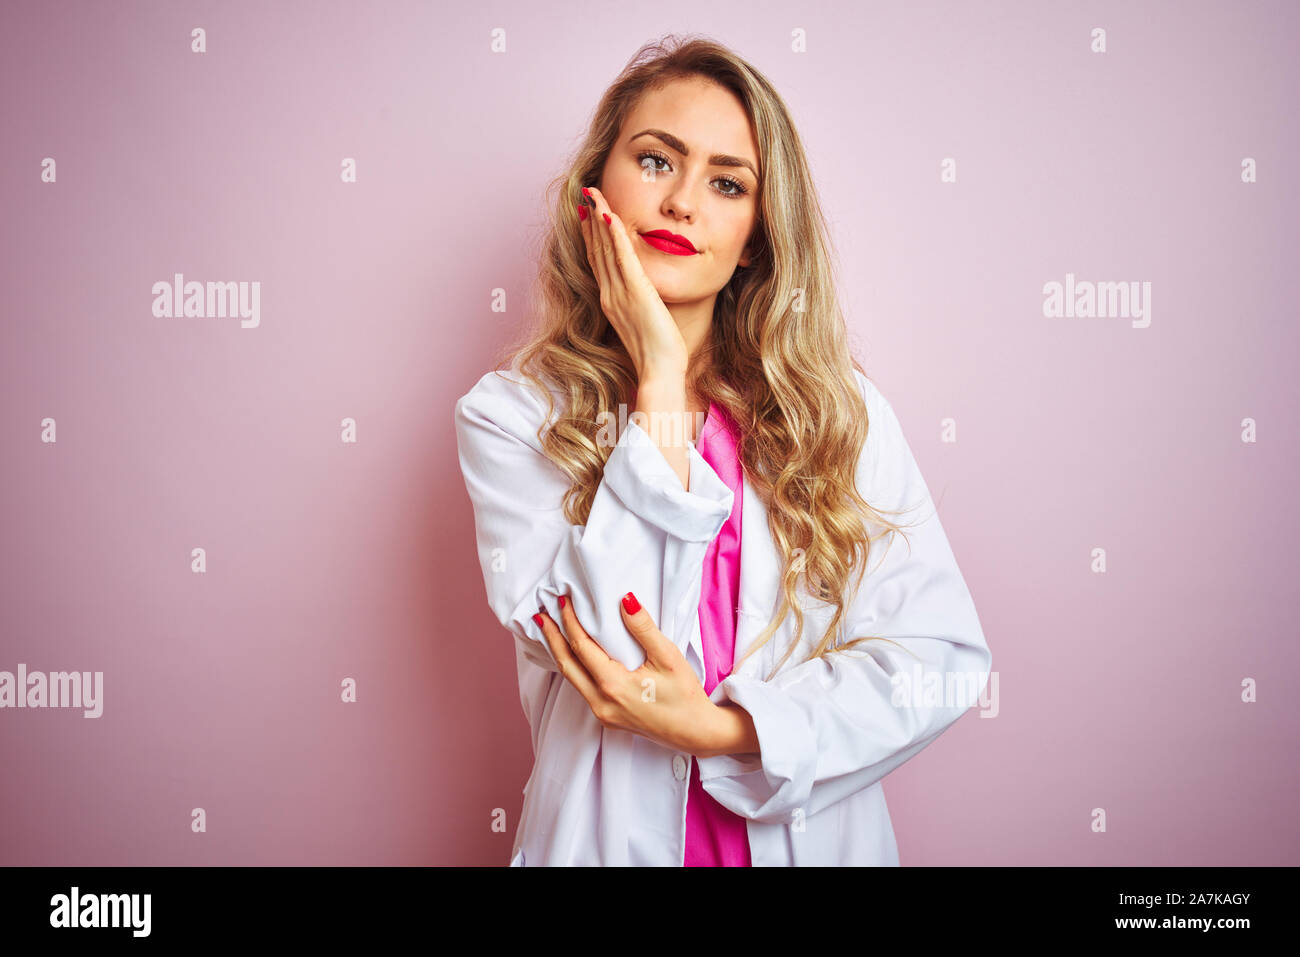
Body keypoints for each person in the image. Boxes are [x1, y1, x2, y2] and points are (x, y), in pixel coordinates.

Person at [453, 35, 991, 866]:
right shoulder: (511, 419)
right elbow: (605, 657)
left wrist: (730, 729)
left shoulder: (839, 412)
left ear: (754, 241)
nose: (682, 204)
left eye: (727, 182)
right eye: (657, 161)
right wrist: (660, 379)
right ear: (596, 188)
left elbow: (939, 660)